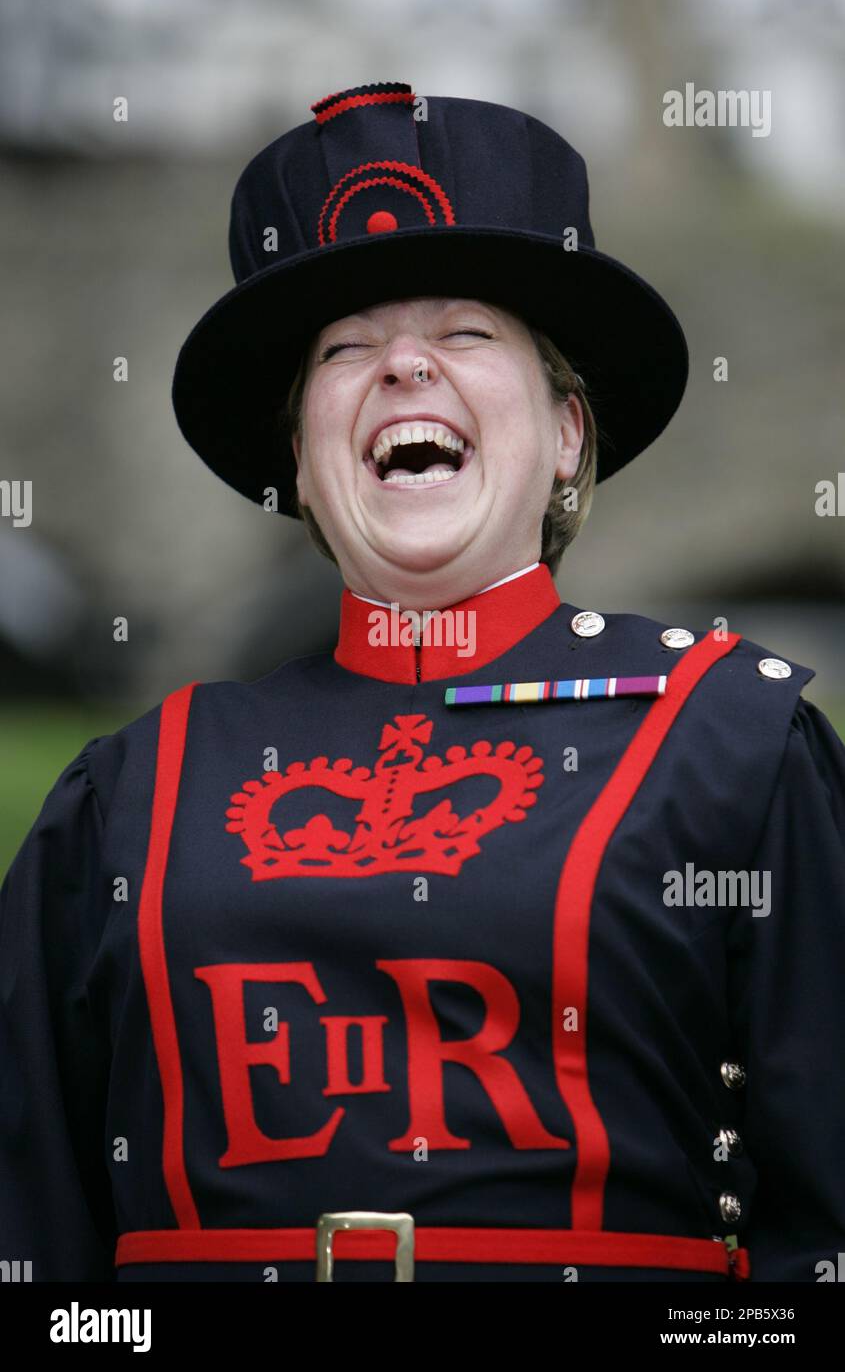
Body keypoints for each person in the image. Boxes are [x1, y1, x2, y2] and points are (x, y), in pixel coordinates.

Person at [1, 82, 844, 1284]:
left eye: (463, 335)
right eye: (344, 348)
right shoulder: (128, 791)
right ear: (295, 452)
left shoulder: (738, 743)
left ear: (564, 430)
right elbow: (30, 1237)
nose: (402, 364)